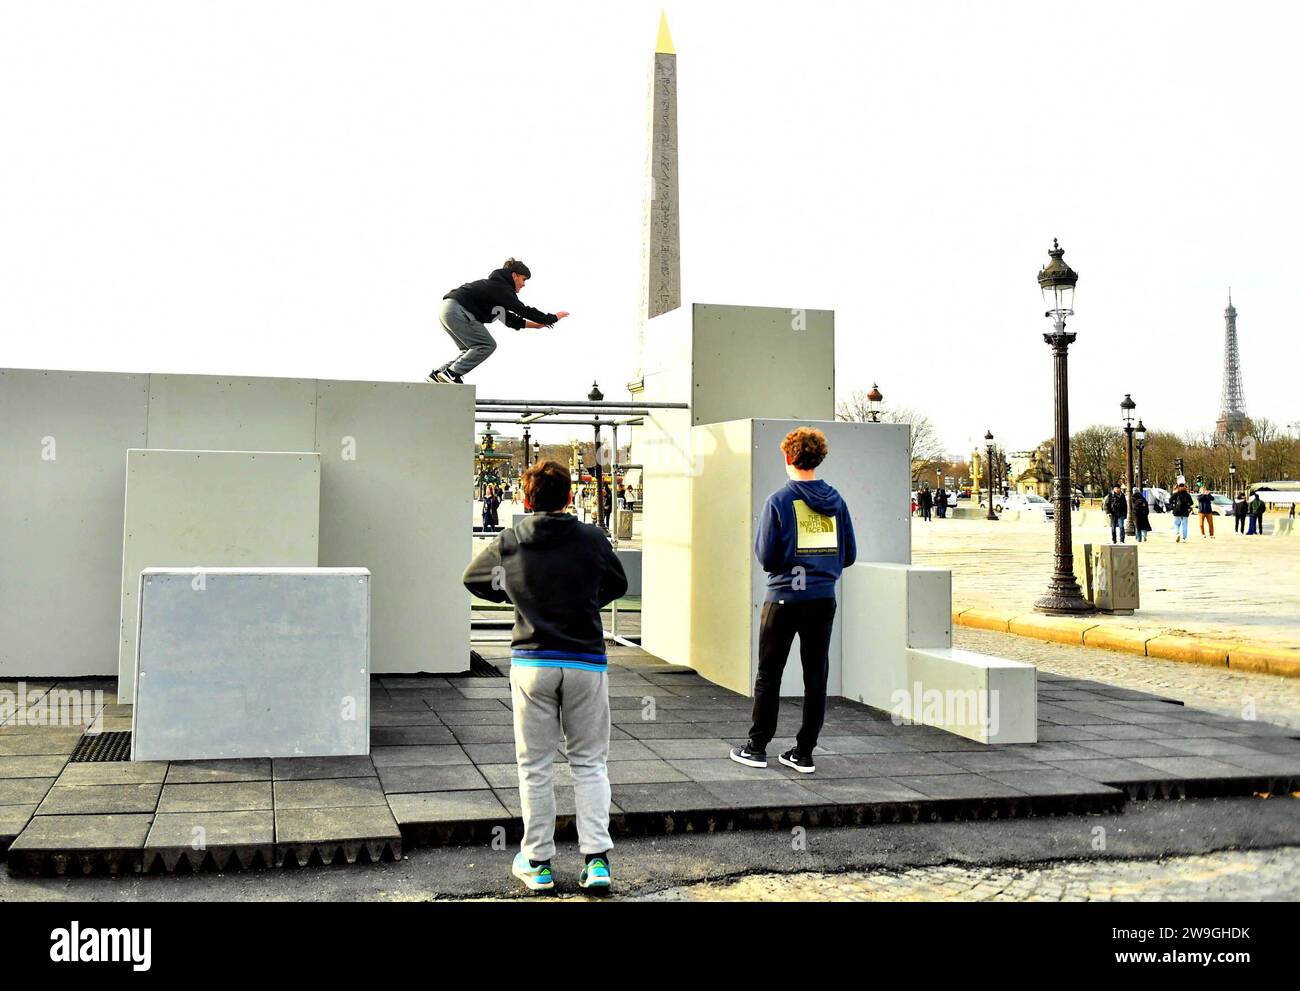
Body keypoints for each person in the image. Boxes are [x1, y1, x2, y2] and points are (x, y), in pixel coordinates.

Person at [462, 460, 626, 894]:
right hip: (586, 662)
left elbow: (474, 579)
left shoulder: (511, 540)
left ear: (527, 497)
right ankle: (596, 862)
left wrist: (518, 595)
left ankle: (537, 862)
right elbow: (618, 583)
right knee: (590, 762)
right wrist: (586, 599)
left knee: (534, 765)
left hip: (533, 661)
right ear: (569, 496)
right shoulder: (592, 539)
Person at [730, 427, 857, 775]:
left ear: (788, 457)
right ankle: (804, 752)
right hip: (822, 599)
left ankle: (757, 746)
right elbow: (849, 555)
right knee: (816, 675)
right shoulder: (837, 502)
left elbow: (768, 557)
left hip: (784, 599)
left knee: (769, 674)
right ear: (819, 459)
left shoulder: (779, 501)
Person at [429, 259, 570, 383]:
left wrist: (537, 326)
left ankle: (438, 374)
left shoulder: (496, 292)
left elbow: (509, 319)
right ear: (514, 275)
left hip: (447, 310)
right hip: (458, 310)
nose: (524, 284)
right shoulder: (502, 289)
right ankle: (452, 373)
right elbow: (523, 310)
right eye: (523, 279)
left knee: (470, 350)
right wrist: (553, 317)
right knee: (486, 345)